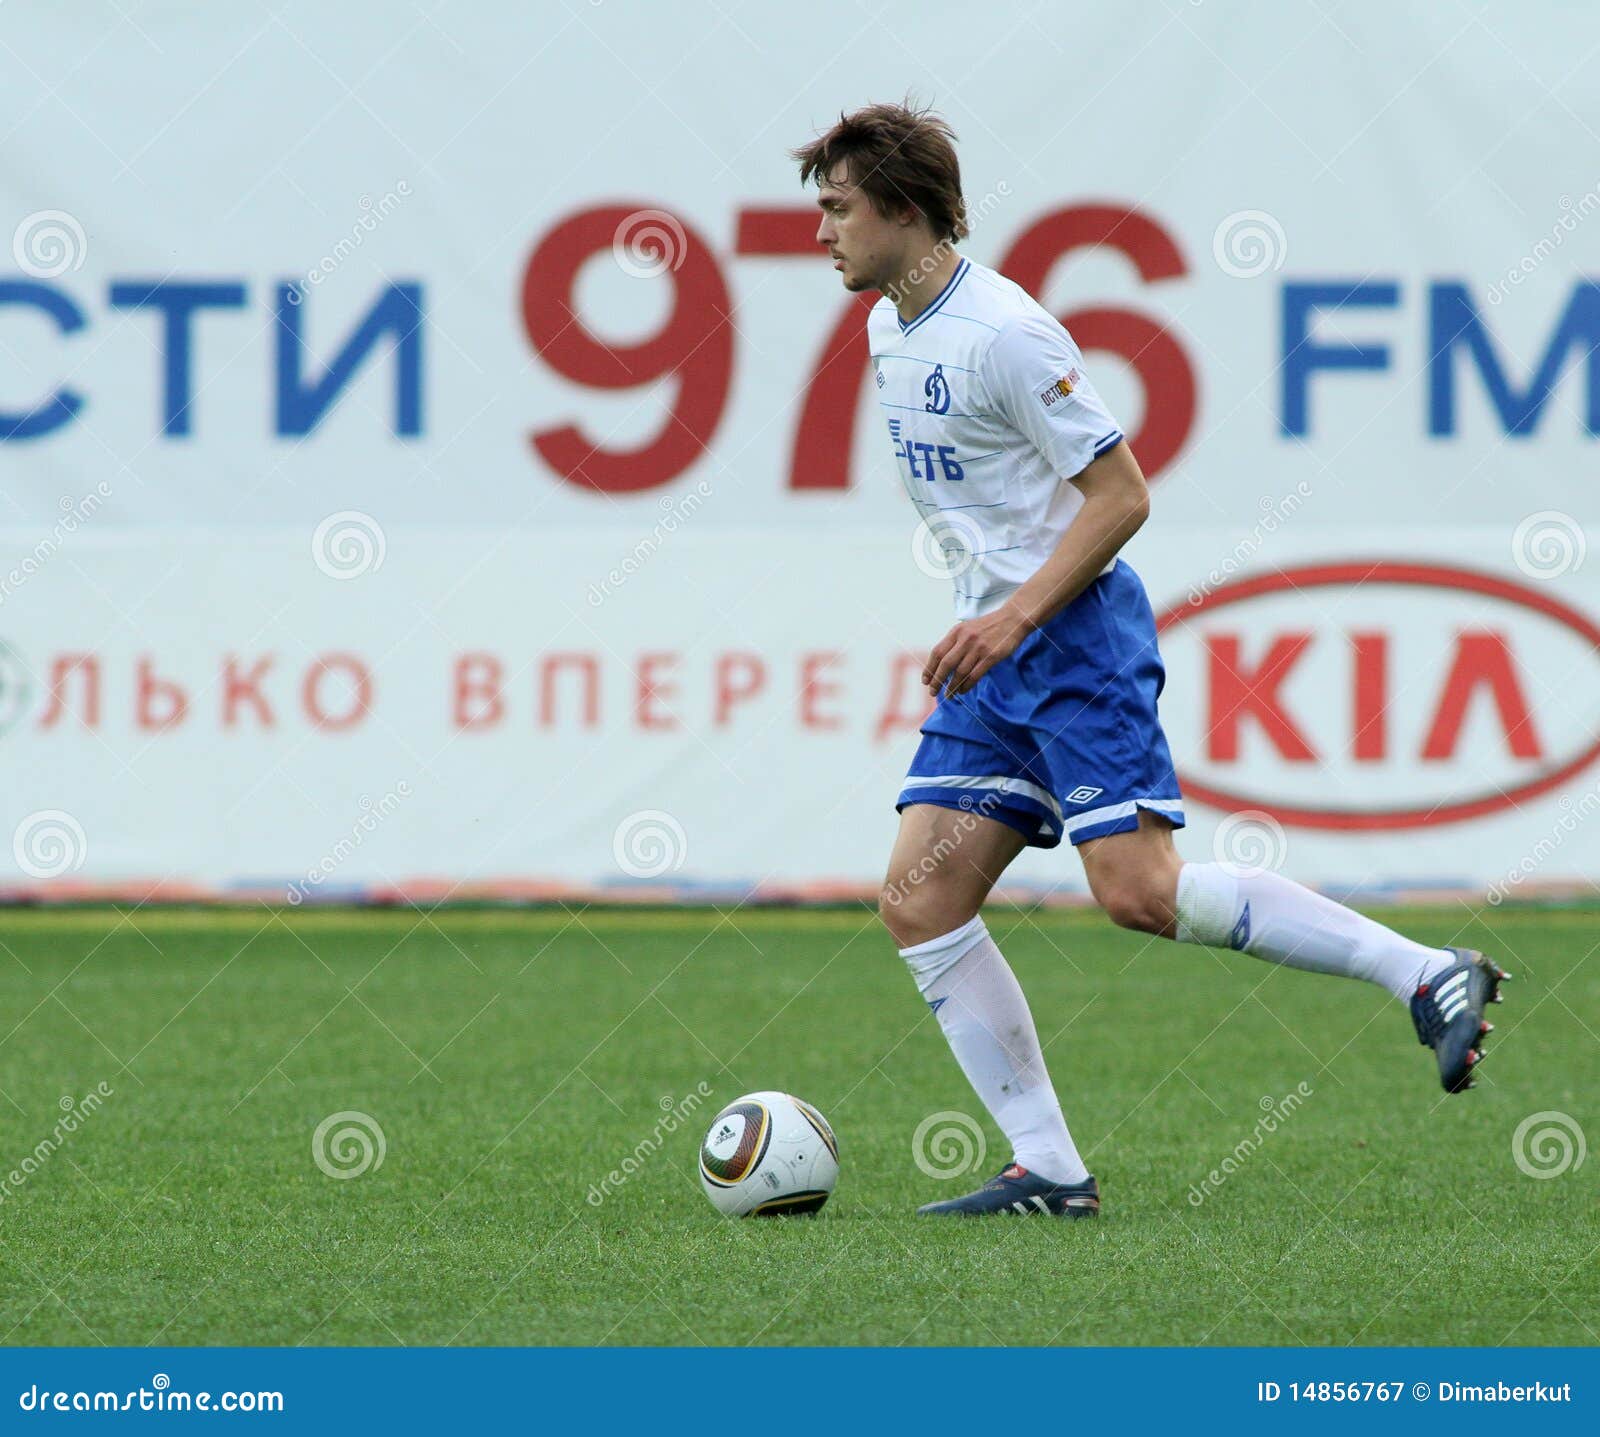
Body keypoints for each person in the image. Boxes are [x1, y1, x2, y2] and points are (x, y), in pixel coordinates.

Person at [790, 101, 1508, 1218]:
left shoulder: (1006, 332)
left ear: (902, 208)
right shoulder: (892, 325)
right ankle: (1050, 1173)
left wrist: (1016, 616)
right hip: (996, 651)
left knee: (1138, 894)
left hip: (1065, 637)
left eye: (837, 208)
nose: (821, 230)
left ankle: (1420, 970)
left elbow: (1119, 495)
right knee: (918, 901)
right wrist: (993, 617)